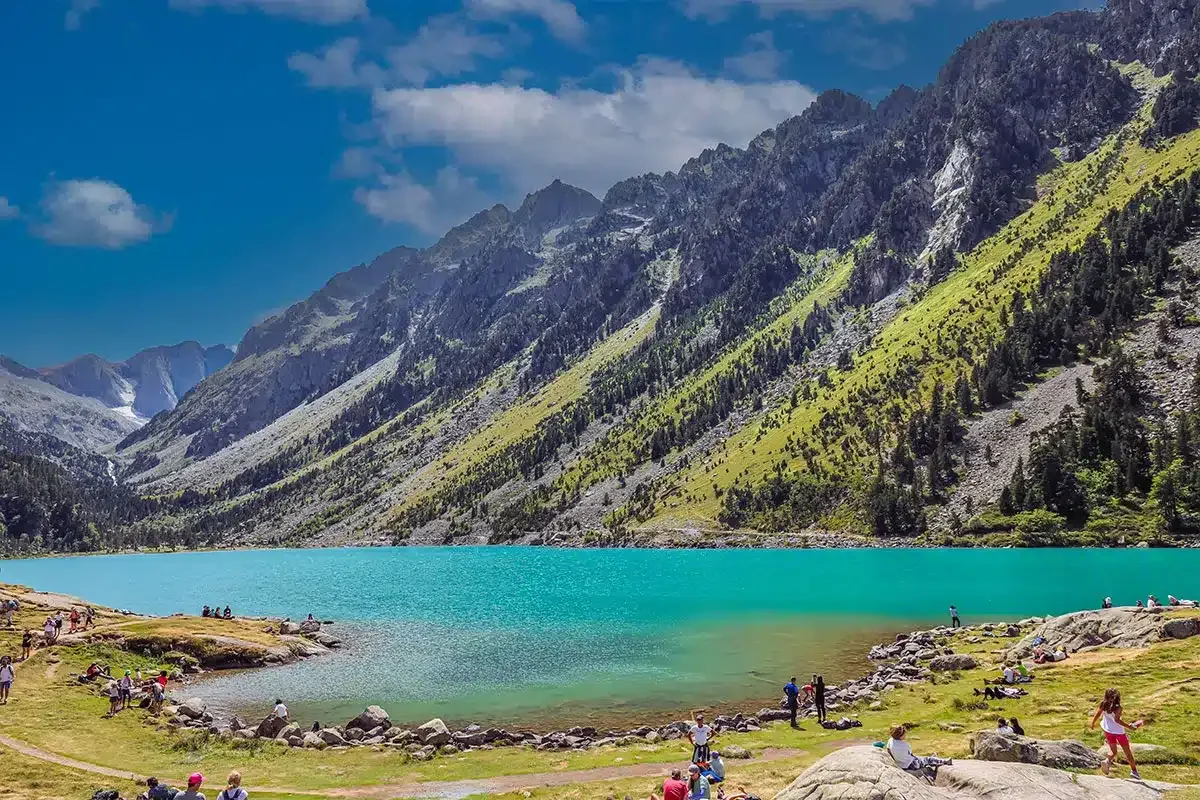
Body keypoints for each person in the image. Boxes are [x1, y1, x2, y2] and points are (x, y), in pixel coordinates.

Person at [1092, 688, 1145, 780]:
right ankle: (1134, 771)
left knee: (1113, 751)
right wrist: (1129, 727)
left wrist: (1093, 723)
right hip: (1119, 732)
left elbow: (1098, 713)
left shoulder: (1103, 704)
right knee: (1127, 752)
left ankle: (1107, 761)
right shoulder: (1119, 708)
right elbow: (1117, 720)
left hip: (1108, 730)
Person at [886, 725, 952, 779]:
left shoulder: (890, 741)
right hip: (911, 765)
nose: (905, 735)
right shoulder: (905, 745)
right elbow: (911, 755)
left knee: (922, 759)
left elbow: (888, 750)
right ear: (900, 736)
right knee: (927, 760)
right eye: (904, 734)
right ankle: (945, 761)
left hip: (901, 764)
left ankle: (931, 759)